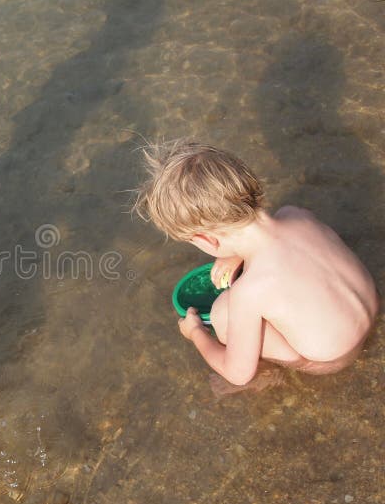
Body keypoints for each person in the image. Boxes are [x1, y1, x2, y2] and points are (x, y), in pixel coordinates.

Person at [134, 141, 379, 395]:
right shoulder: (296, 215)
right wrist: (236, 254)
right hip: (369, 313)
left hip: (331, 361)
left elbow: (238, 374)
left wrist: (195, 332)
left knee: (222, 313)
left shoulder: (250, 291)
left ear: (207, 240)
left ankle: (268, 377)